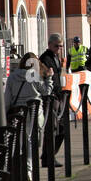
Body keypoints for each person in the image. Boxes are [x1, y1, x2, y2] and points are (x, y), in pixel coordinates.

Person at [39, 33, 67, 166]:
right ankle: (48, 157)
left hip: (57, 95)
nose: (59, 49)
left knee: (61, 128)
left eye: (61, 46)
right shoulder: (44, 59)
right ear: (49, 44)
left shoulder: (56, 57)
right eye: (56, 46)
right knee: (52, 128)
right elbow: (41, 79)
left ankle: (49, 155)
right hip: (50, 97)